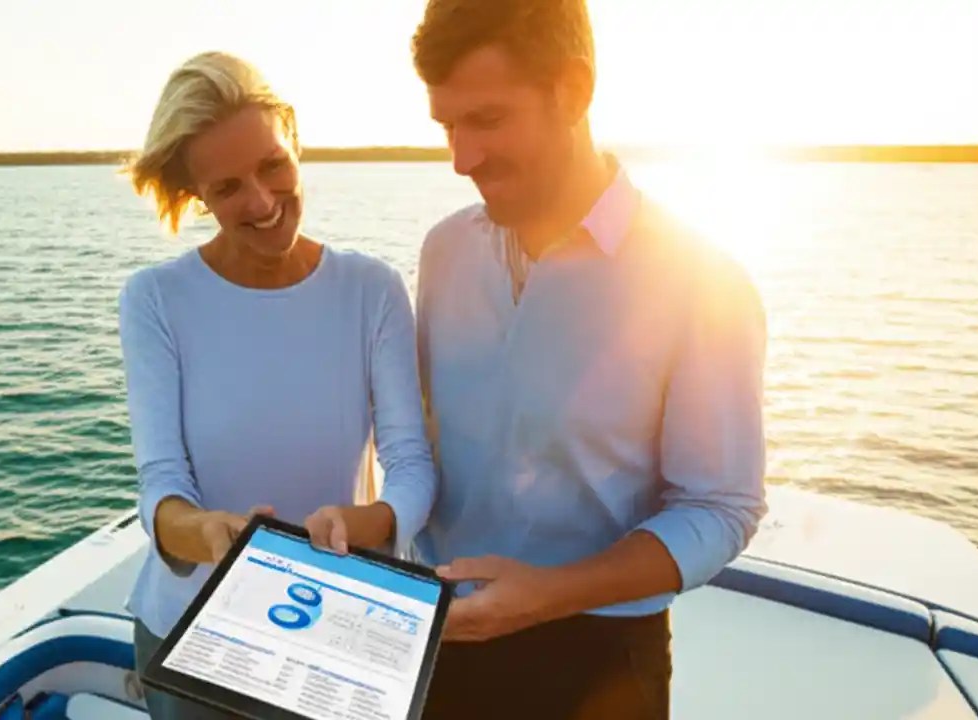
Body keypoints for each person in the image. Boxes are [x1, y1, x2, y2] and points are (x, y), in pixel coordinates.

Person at [407, 1, 769, 717]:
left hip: (602, 665)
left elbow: (721, 506)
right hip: (438, 637)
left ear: (572, 91)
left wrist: (546, 595)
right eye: (448, 127)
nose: (461, 159)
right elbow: (419, 442)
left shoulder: (700, 277)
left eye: (486, 120)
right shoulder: (443, 251)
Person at [116, 51, 435, 719]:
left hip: (337, 631)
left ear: (294, 138)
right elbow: (161, 485)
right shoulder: (155, 299)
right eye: (227, 188)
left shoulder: (371, 289)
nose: (261, 203)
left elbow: (409, 466)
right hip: (191, 637)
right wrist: (207, 534)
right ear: (195, 195)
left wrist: (362, 523)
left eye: (272, 166)